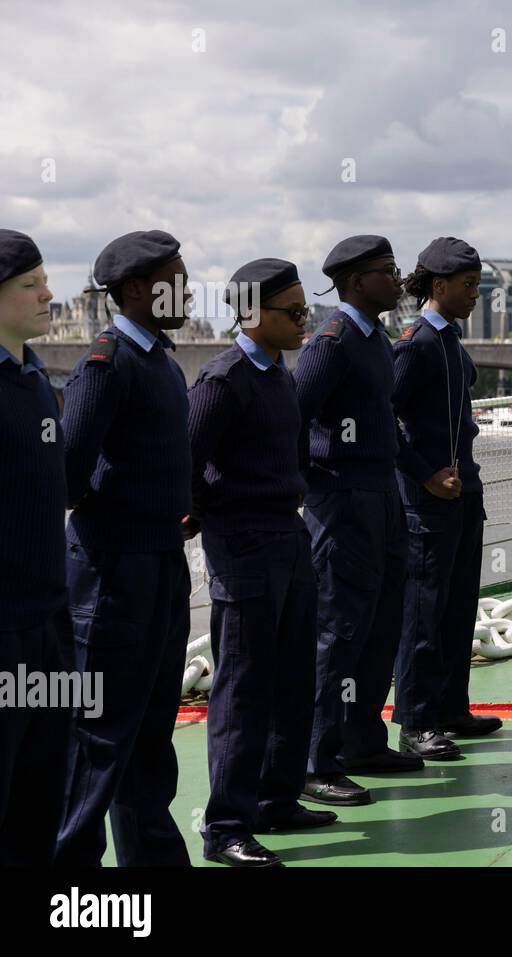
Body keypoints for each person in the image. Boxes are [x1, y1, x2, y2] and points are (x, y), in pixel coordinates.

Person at [188, 259, 336, 867]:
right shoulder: (224, 381)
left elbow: (296, 455)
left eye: (306, 310)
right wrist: (212, 513)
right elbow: (186, 459)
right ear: (252, 315)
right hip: (244, 545)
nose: (305, 321)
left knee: (294, 675)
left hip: (288, 534)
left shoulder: (279, 376)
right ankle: (226, 826)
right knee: (243, 688)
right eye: (293, 312)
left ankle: (277, 798)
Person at [57, 230, 195, 865]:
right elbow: (68, 472)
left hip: (162, 564)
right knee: (98, 736)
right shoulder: (107, 364)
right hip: (113, 573)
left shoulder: (160, 361)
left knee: (150, 733)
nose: (188, 293)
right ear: (137, 290)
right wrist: (128, 513)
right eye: (176, 282)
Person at [294, 235, 423, 807]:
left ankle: (363, 741)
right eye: (387, 271)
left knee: (380, 623)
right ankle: (315, 762)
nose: (398, 280)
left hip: (382, 495)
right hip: (342, 500)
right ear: (354, 282)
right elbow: (292, 417)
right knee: (338, 630)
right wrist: (310, 485)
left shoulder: (375, 341)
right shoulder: (332, 342)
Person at [392, 238, 501, 759]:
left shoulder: (450, 342)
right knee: (424, 610)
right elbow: (384, 419)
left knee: (459, 606)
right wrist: (425, 475)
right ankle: (416, 722)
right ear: (440, 286)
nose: (477, 293)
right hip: (429, 501)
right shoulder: (415, 345)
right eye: (469, 285)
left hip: (464, 494)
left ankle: (451, 707)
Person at [0, 230, 74, 866]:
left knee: (42, 788)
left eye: (45, 281)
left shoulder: (35, 379)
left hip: (49, 622)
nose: (48, 294)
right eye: (30, 284)